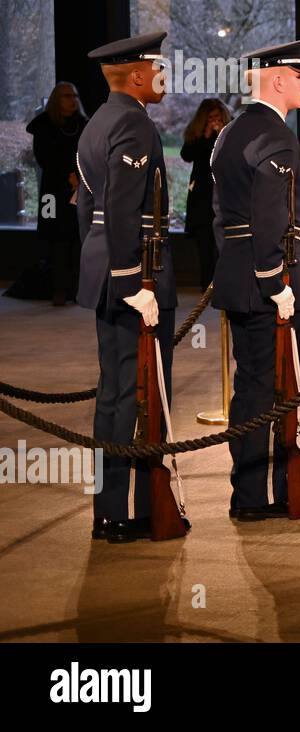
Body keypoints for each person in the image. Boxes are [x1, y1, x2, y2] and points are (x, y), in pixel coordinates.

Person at [75, 32, 181, 543]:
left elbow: (86, 208)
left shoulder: (98, 121)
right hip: (136, 272)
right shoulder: (134, 124)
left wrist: (99, 265)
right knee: (141, 395)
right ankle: (130, 513)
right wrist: (130, 281)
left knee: (115, 394)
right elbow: (121, 206)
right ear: (137, 75)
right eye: (157, 69)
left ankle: (110, 509)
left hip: (108, 266)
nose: (163, 77)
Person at [211, 39, 300, 521]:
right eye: (297, 76)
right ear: (276, 80)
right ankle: (268, 495)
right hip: (268, 281)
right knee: (275, 390)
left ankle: (249, 495)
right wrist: (276, 282)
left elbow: (220, 216)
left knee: (250, 388)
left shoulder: (229, 132)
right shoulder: (276, 135)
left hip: (237, 272)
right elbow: (271, 215)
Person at [26, 82, 87, 305]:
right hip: (52, 191)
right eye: (67, 96)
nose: (73, 100)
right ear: (56, 100)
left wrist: (78, 175)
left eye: (75, 95)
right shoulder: (44, 125)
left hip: (77, 189)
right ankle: (57, 287)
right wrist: (67, 173)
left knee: (75, 237)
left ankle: (75, 287)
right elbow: (44, 157)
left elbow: (88, 153)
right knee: (54, 236)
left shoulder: (82, 124)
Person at [180, 98, 231, 290]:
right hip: (202, 195)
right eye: (210, 117)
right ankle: (206, 285)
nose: (214, 120)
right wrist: (206, 135)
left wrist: (220, 135)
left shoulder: (230, 132)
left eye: (217, 116)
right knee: (204, 242)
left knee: (223, 242)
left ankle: (224, 283)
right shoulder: (196, 133)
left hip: (224, 192)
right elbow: (186, 155)